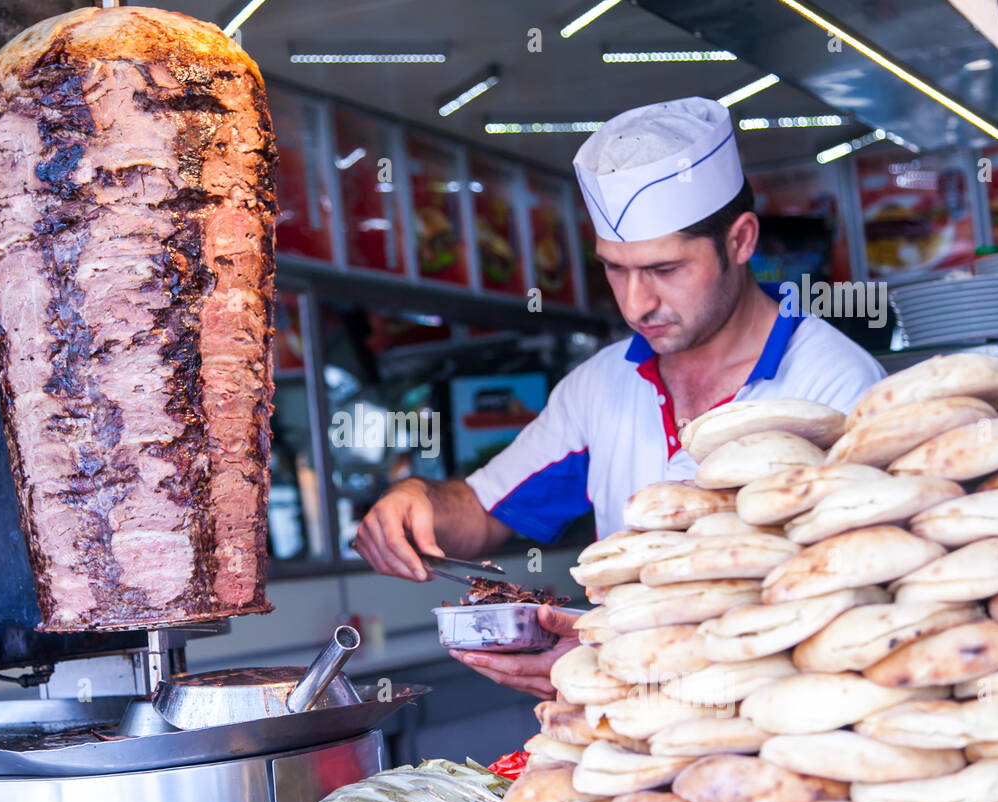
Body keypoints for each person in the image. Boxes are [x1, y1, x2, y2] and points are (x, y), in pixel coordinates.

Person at [352, 96, 886, 699]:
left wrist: (619, 656)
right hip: (634, 741)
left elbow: (861, 602)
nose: (635, 305)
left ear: (740, 241)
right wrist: (414, 499)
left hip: (790, 726)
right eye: (615, 270)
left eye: (664, 269)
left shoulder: (838, 385)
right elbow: (482, 510)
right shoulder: (602, 387)